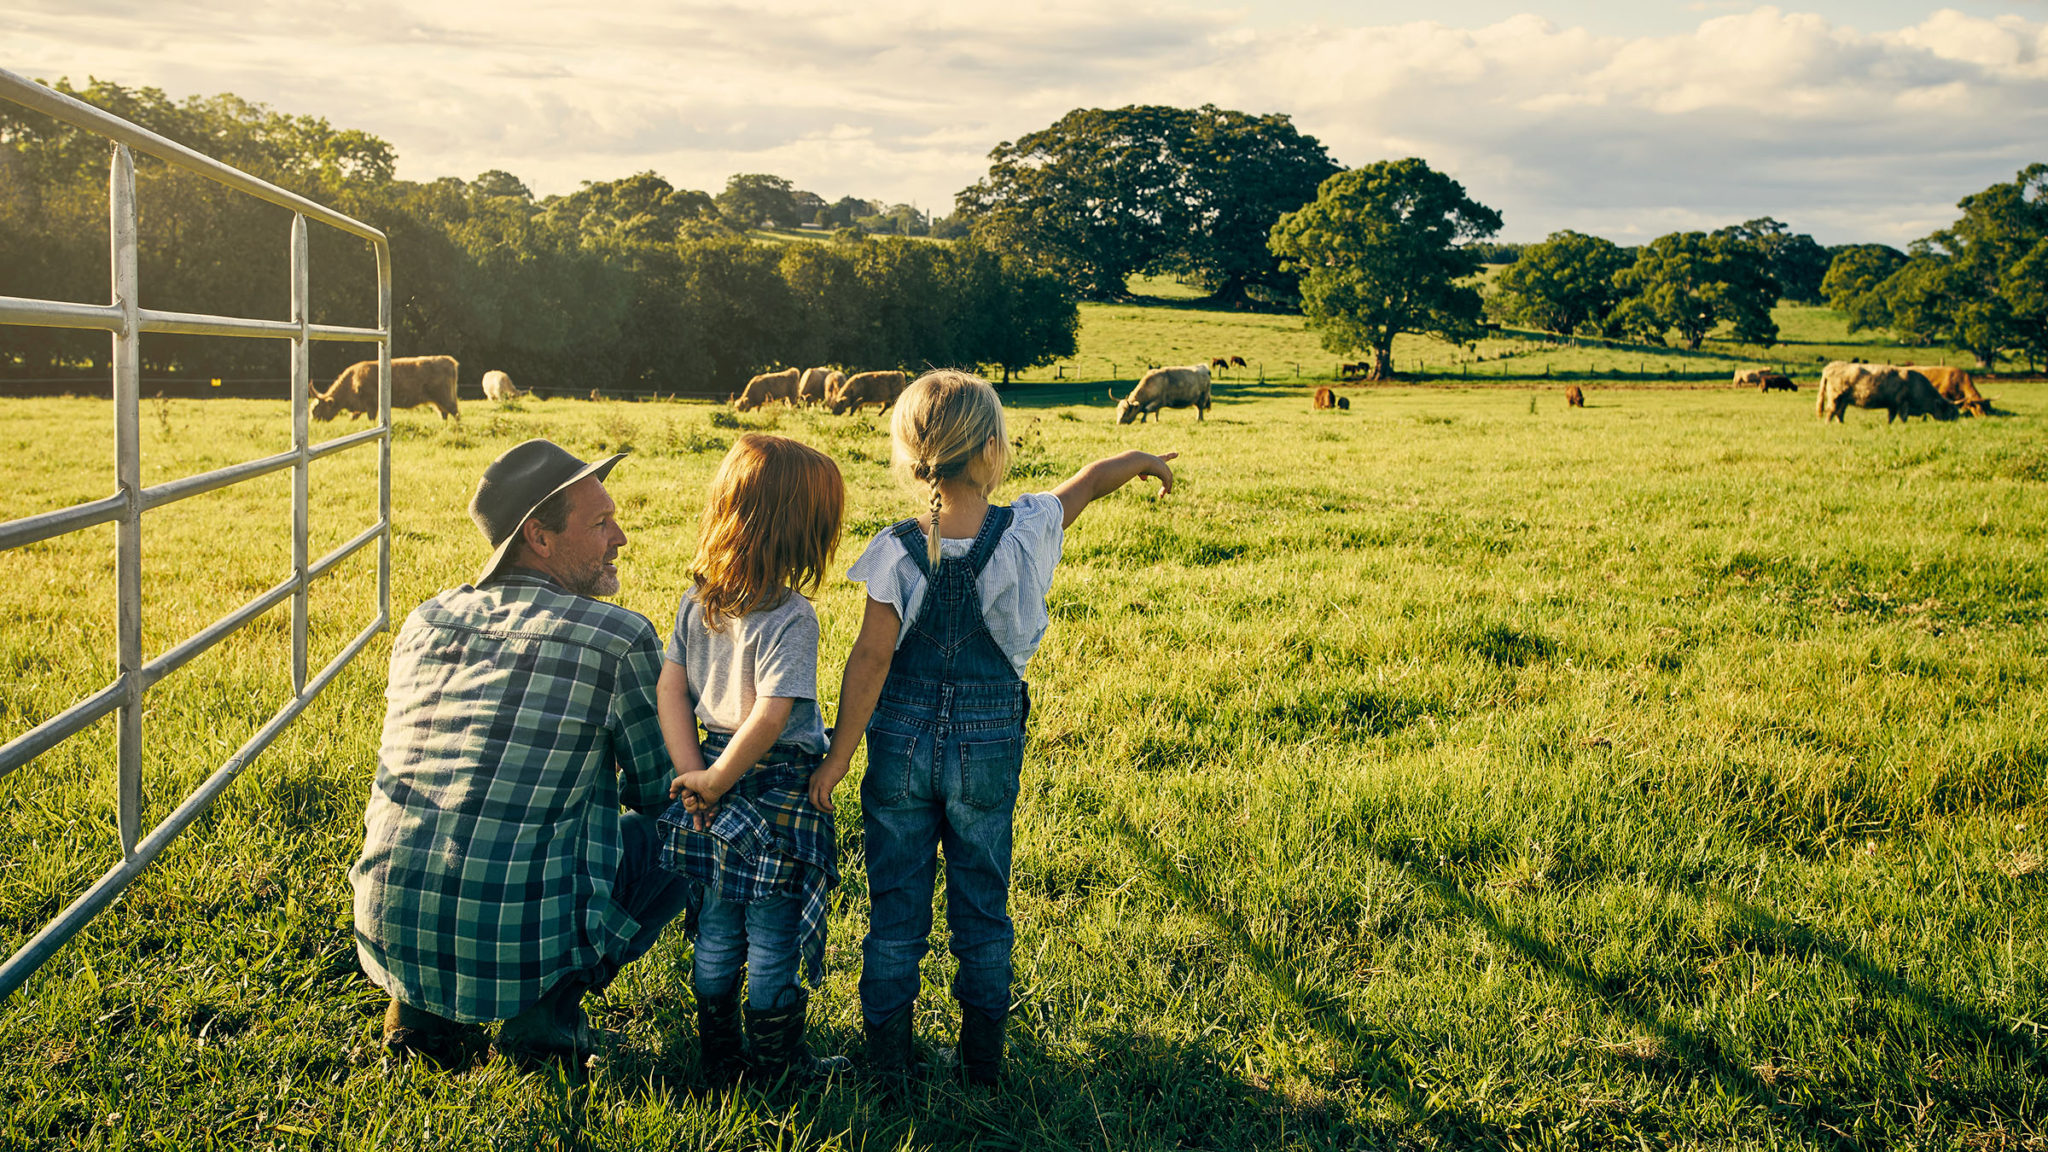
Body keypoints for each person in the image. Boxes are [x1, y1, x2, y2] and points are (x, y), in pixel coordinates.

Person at [809, 370, 1176, 1084]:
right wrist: (1143, 462)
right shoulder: (1029, 527)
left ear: (912, 451)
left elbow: (870, 657)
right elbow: (1090, 483)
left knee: (895, 911)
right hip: (988, 743)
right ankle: (981, 1064)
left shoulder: (894, 548)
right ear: (990, 448)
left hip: (899, 744)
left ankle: (886, 1062)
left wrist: (837, 758)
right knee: (982, 903)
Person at [350, 439, 689, 1066]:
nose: (620, 538)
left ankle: (420, 1012)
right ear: (539, 536)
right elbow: (660, 790)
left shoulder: (425, 621)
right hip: (518, 944)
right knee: (693, 822)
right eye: (600, 523)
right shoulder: (617, 637)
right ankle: (544, 1013)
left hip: (386, 930)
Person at [657, 434, 851, 1083]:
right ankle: (777, 1061)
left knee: (715, 923)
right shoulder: (792, 616)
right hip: (771, 790)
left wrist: (697, 776)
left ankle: (718, 1054)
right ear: (801, 530)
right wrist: (714, 779)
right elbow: (771, 717)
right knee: (772, 933)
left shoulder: (697, 598)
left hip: (711, 777)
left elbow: (671, 689)